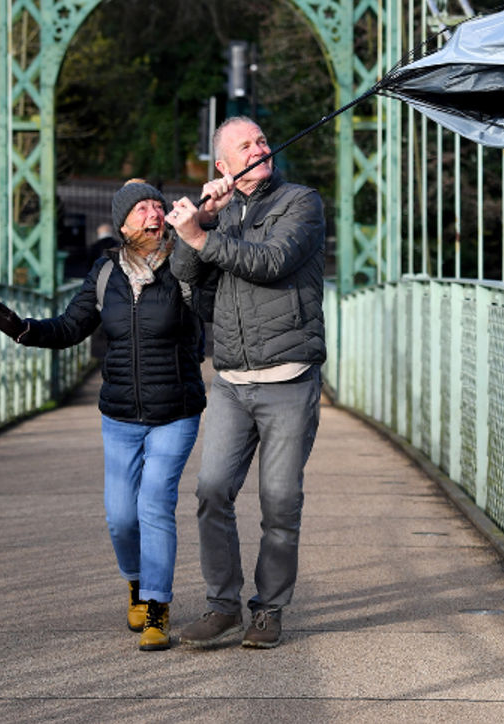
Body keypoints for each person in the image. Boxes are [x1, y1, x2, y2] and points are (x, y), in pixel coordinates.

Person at [0, 179, 211, 651]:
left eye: (157, 206)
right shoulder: (106, 273)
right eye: (141, 207)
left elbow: (214, 292)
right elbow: (70, 326)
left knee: (154, 506)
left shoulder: (185, 265)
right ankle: (135, 583)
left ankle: (157, 608)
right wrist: (23, 330)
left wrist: (208, 221)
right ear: (123, 223)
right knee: (120, 517)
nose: (152, 212)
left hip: (176, 409)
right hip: (120, 415)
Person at [165, 115, 326, 650]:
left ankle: (269, 610)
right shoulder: (222, 211)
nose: (258, 148)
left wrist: (201, 237)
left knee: (280, 500)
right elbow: (186, 273)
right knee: (212, 491)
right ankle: (222, 606)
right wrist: (204, 220)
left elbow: (272, 260)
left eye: (261, 140)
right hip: (231, 379)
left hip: (288, 376)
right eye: (244, 145)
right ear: (223, 165)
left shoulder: (301, 202)